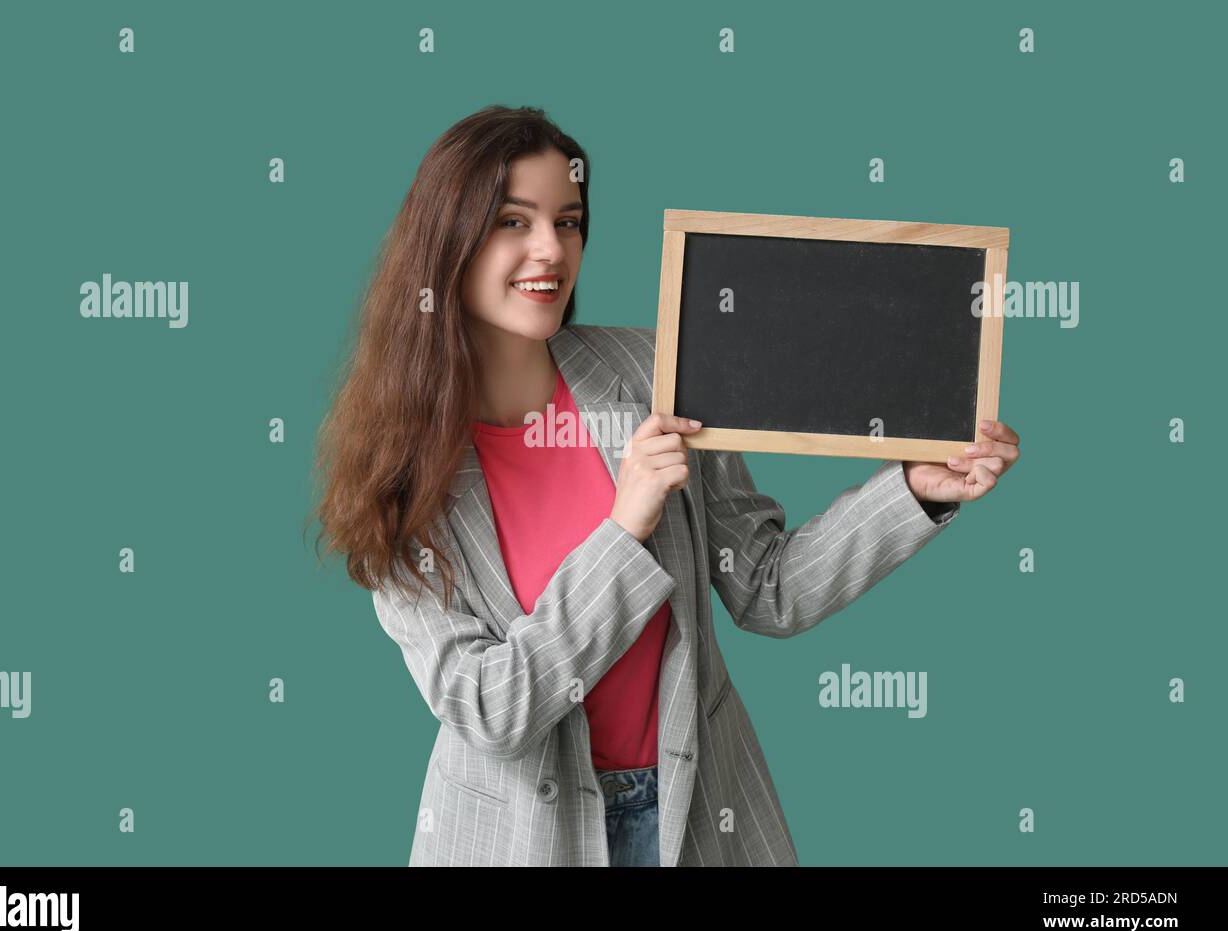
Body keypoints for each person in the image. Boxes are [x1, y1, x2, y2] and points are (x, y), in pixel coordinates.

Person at [310, 105, 1021, 866]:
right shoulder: (398, 472)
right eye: (513, 222)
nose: (551, 249)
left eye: (570, 220)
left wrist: (916, 490)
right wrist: (623, 532)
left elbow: (769, 588)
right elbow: (493, 708)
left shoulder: (653, 373)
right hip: (518, 840)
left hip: (701, 816)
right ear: (446, 240)